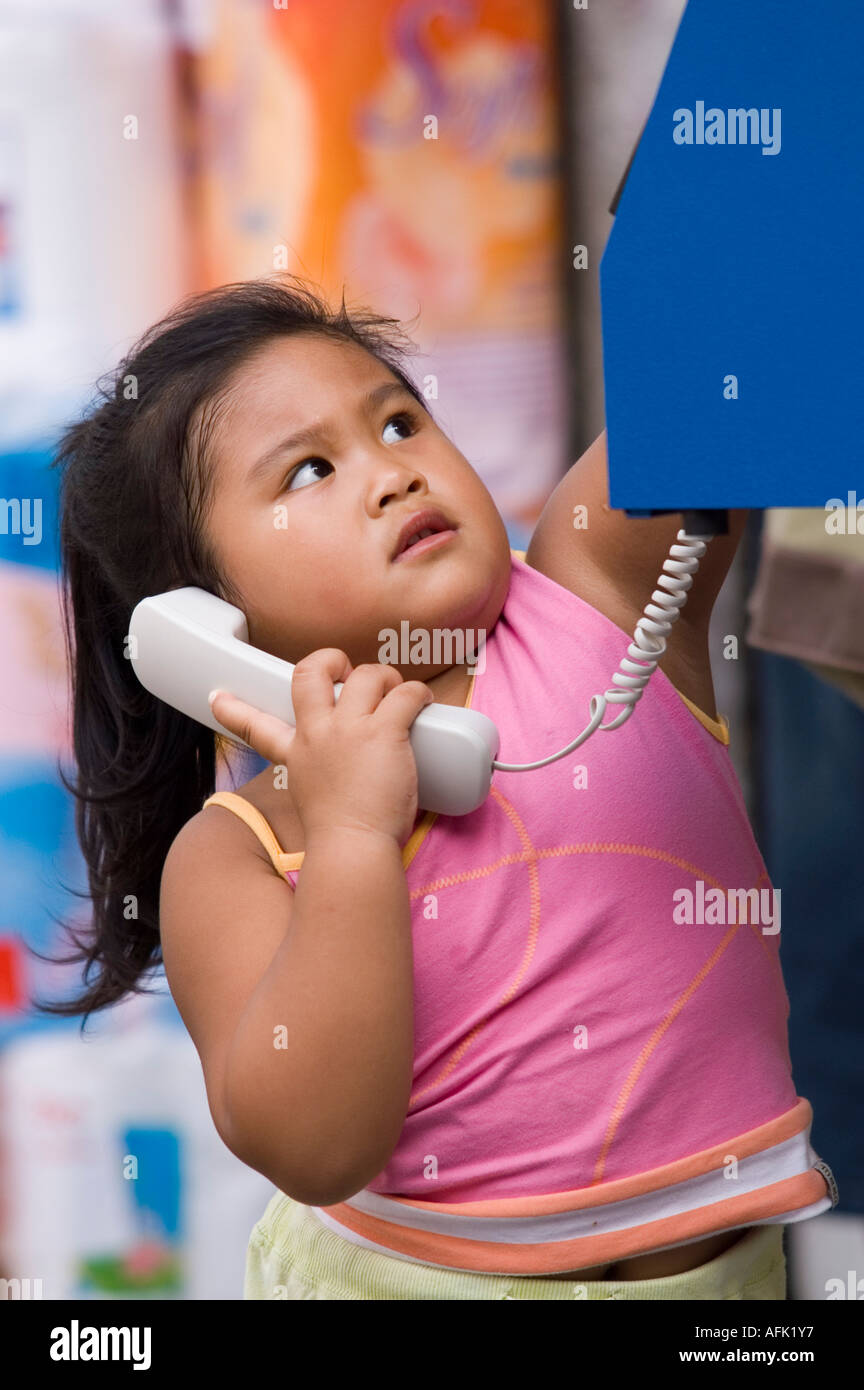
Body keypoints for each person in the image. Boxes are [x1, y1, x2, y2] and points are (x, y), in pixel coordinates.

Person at [42, 276, 834, 1300]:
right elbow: (316, 1146)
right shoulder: (242, 850)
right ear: (203, 619)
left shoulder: (596, 591)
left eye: (401, 420)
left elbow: (717, 364)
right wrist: (352, 836)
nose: (390, 474)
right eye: (310, 470)